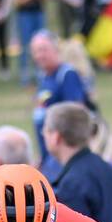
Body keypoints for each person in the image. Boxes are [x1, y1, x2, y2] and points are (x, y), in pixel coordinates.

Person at [30, 31, 93, 179]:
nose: (39, 55)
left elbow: (76, 114)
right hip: (49, 151)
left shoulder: (66, 75)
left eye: (43, 50)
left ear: (55, 49)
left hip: (63, 150)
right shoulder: (44, 77)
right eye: (35, 51)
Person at [14, 0, 49, 85]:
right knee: (26, 45)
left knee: (42, 43)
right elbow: (18, 1)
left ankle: (41, 73)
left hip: (38, 14)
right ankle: (25, 75)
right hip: (25, 16)